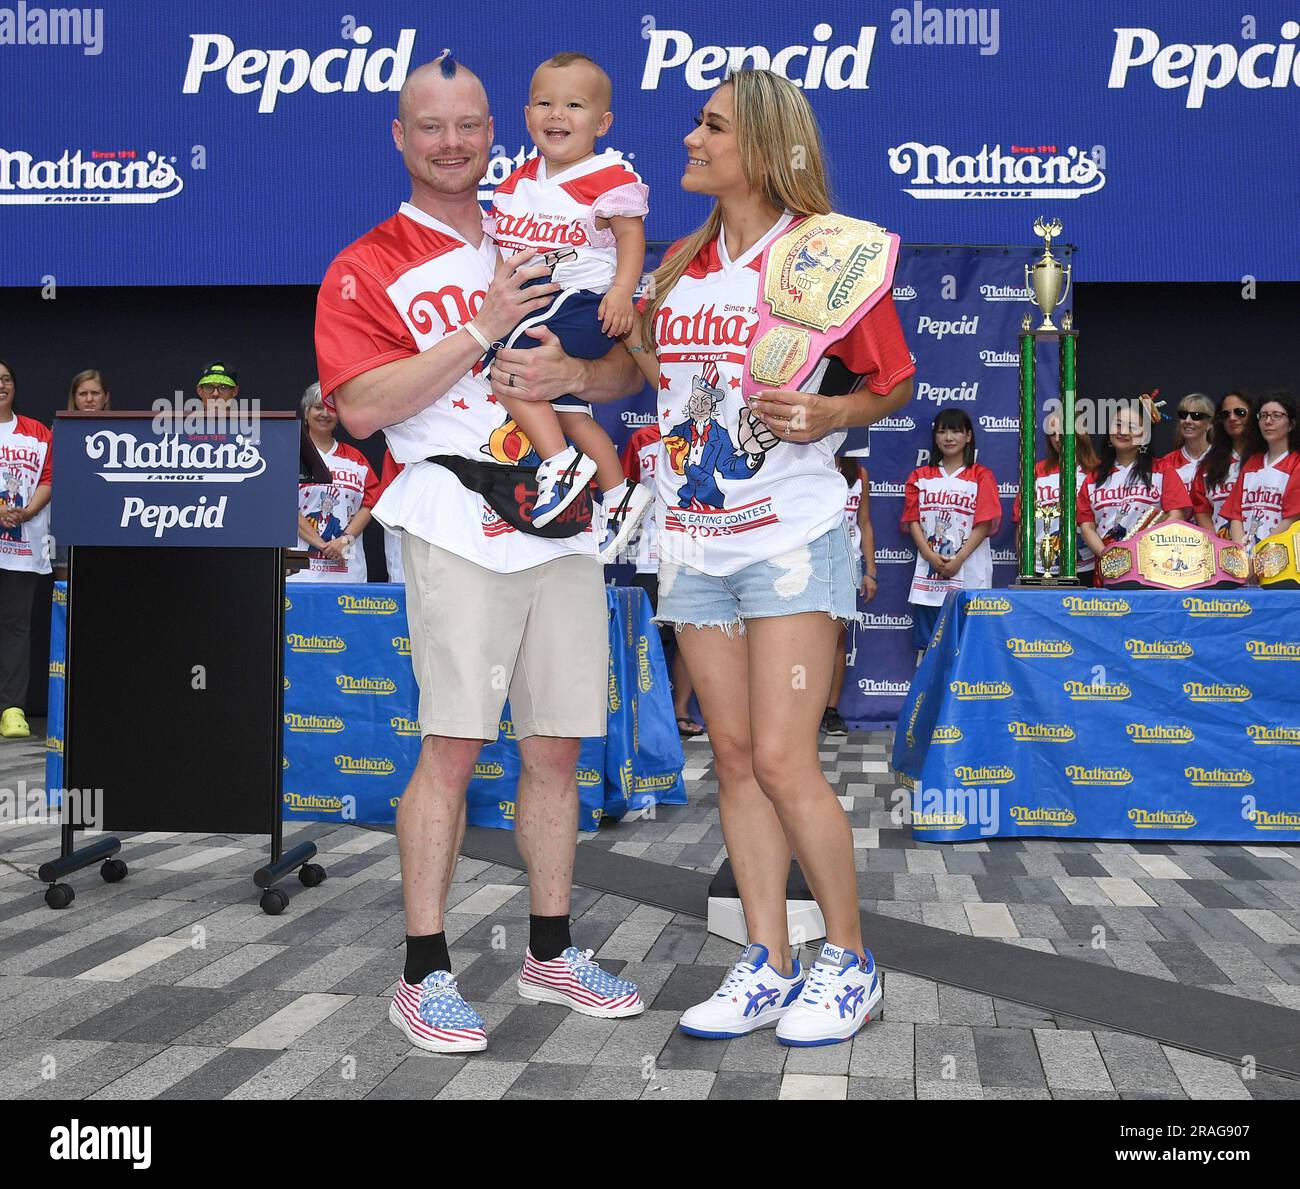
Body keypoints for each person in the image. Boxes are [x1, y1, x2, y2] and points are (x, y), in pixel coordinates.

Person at [314, 53, 646, 1055]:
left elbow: (625, 365)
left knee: (554, 744)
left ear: (493, 128)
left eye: (468, 125)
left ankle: (550, 947)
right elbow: (361, 407)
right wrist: (481, 327)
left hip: (561, 509)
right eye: (431, 126)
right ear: (399, 137)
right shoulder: (367, 261)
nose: (452, 142)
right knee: (452, 745)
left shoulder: (545, 214)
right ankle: (423, 971)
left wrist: (575, 363)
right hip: (456, 512)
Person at [625, 69, 914, 1047]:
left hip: (791, 540)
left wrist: (834, 410)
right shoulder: (677, 263)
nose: (691, 139)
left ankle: (851, 960)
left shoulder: (824, 253)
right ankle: (766, 960)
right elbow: (654, 378)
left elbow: (892, 380)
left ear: (761, 146)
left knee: (788, 757)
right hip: (697, 540)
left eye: (711, 127)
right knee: (737, 758)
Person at [483, 52, 652, 557]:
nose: (557, 114)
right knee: (572, 414)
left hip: (580, 303)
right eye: (544, 103)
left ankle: (558, 463)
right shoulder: (516, 184)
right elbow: (503, 257)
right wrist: (496, 304)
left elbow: (630, 236)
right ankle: (620, 493)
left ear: (602, 123)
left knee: (506, 372)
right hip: (534, 304)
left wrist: (622, 292)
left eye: (573, 105)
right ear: (527, 115)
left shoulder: (609, 175)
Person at [620, 420, 704, 736]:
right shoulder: (642, 438)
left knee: (693, 640)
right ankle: (641, 715)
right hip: (650, 558)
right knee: (643, 641)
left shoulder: (711, 431)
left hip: (700, 556)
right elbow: (625, 489)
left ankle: (680, 712)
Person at [903, 409, 1000, 656]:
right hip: (930, 576)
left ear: (968, 436)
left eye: (956, 430)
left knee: (969, 646)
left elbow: (984, 523)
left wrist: (958, 559)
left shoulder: (981, 476)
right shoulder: (920, 477)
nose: (949, 437)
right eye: (942, 431)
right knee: (931, 649)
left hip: (970, 571)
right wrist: (929, 555)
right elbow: (913, 519)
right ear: (935, 437)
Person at [0, 361, 53, 740]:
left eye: (5, 380)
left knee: (16, 627)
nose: (0, 385)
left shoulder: (37, 432)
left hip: (21, 547)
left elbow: (50, 477)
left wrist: (28, 510)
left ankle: (12, 709)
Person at [1079, 399, 1192, 571]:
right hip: (1109, 568)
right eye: (1117, 424)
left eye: (1132, 427)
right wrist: (1107, 556)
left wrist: (1144, 552)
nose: (1123, 431)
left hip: (1152, 565)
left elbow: (1176, 516)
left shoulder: (1163, 470)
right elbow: (1086, 526)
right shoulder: (1093, 478)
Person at [290, 382, 379, 583]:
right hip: (301, 573)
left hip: (348, 572)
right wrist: (322, 545)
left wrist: (345, 541)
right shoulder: (289, 454)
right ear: (306, 413)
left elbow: (371, 504)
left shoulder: (356, 459)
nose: (325, 414)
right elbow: (281, 504)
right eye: (318, 407)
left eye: (331, 409)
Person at [823, 452, 877, 735]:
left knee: (838, 637)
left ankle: (830, 711)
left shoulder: (858, 472)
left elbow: (864, 523)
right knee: (801, 635)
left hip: (847, 562)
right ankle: (802, 709)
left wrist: (870, 570)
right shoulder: (805, 461)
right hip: (810, 560)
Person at [1012, 409, 1100, 581]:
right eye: (1053, 434)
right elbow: (1022, 522)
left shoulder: (1097, 471)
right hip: (1040, 566)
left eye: (1064, 433)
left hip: (1085, 566)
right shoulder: (1037, 471)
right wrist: (1025, 567)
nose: (1058, 439)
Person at [1222, 391, 1300, 559]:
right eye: (1263, 416)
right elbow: (1236, 515)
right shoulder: (1251, 463)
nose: (1268, 421)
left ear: (1291, 424)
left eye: (1276, 416)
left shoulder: (1296, 463)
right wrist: (1242, 554)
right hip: (1246, 558)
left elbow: (1291, 519)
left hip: (1281, 557)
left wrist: (1259, 556)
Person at [1192, 391, 1259, 536]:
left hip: (1264, 544)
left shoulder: (1268, 459)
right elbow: (1201, 510)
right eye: (1225, 415)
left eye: (1240, 412)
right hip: (1222, 550)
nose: (1232, 418)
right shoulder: (1208, 464)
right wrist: (1216, 542)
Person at [1158, 392, 1215, 487]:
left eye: (1196, 416)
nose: (1187, 421)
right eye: (1183, 415)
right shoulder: (1166, 463)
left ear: (1209, 424)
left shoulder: (1223, 459)